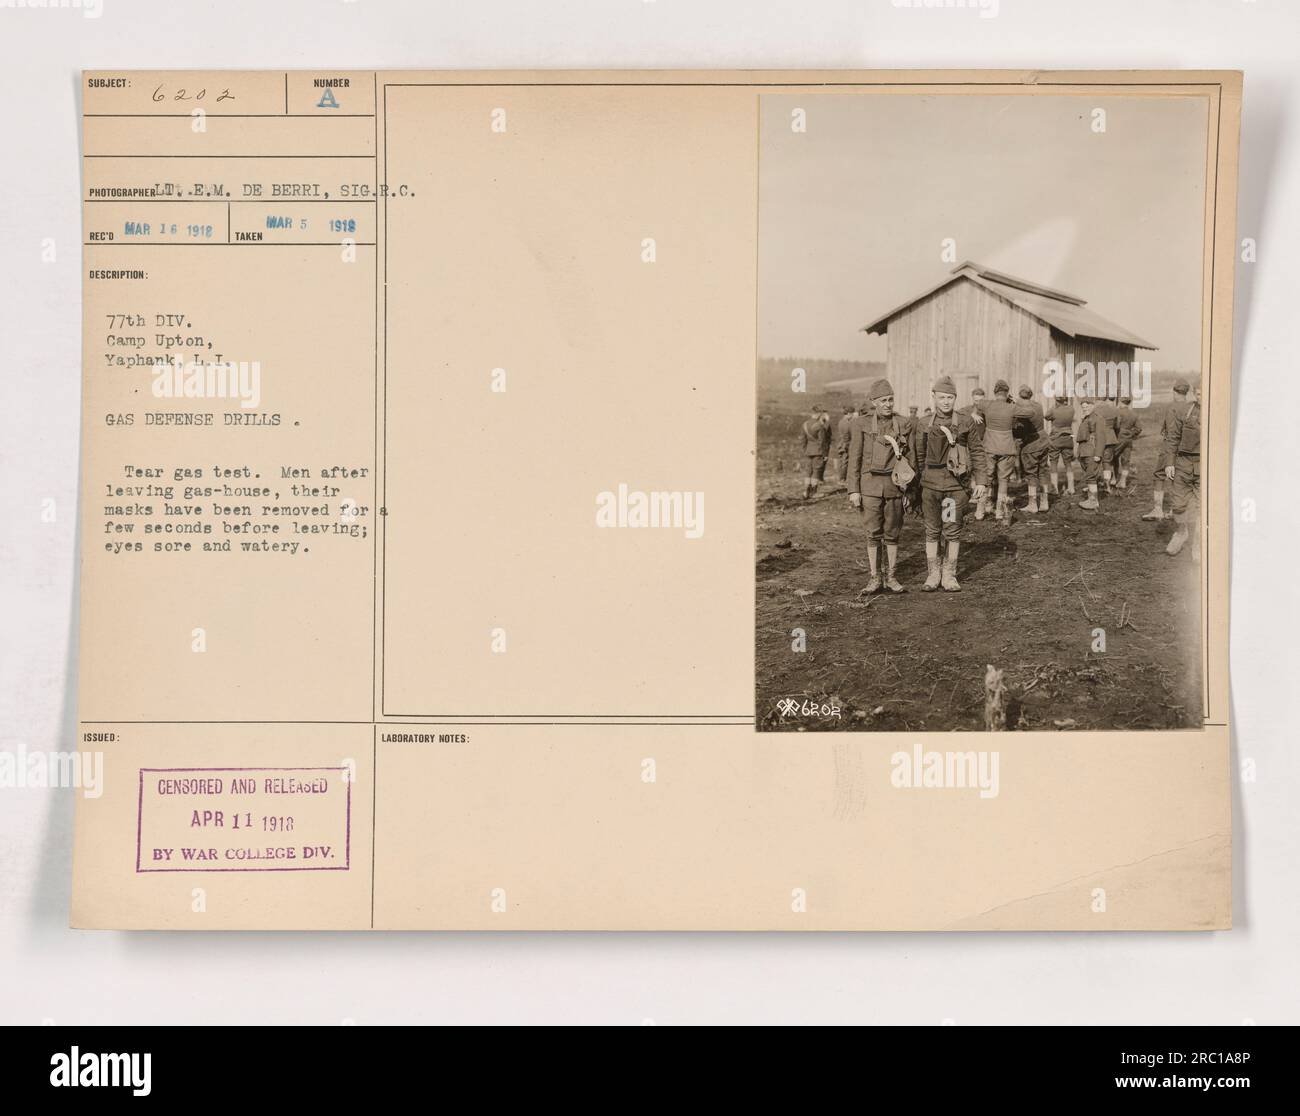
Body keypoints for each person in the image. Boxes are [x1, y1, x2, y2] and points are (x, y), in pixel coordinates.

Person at [915, 375, 988, 591]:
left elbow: (977, 451)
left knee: (952, 530)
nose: (946, 402)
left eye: (950, 397)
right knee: (932, 530)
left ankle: (949, 574)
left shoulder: (965, 422)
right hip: (930, 487)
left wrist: (981, 481)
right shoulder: (923, 423)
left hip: (955, 488)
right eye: (942, 397)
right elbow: (919, 457)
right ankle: (933, 574)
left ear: (955, 398)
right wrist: (919, 485)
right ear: (934, 397)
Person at [846, 378, 910, 593]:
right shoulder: (861, 424)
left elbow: (910, 460)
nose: (888, 404)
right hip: (869, 487)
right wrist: (853, 489)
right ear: (874, 402)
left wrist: (909, 489)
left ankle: (891, 577)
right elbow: (854, 458)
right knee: (873, 533)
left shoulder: (902, 424)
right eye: (883, 400)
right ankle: (874, 578)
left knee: (892, 533)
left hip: (894, 487)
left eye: (891, 400)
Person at [978, 380, 1037, 523]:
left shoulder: (987, 404)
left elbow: (977, 405)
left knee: (987, 478)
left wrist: (975, 414)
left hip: (990, 446)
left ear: (995, 392)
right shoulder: (1012, 407)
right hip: (1006, 447)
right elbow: (1031, 412)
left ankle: (980, 510)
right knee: (1003, 480)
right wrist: (1014, 402)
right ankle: (999, 511)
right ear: (1007, 393)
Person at [1141, 378, 1191, 521]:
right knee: (1180, 477)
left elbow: (1169, 432)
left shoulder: (1172, 407)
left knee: (1159, 474)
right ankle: (1176, 510)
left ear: (1174, 391)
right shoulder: (1190, 407)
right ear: (1186, 392)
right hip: (1186, 448)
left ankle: (1157, 510)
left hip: (1171, 446)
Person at [1164, 383, 1202, 556]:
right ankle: (1181, 532)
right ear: (1194, 394)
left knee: (1204, 505)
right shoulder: (1185, 411)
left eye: (1205, 393)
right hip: (1183, 462)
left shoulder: (1220, 411)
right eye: (1199, 393)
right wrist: (1170, 462)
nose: (1202, 397)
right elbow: (1173, 438)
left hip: (1206, 463)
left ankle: (1199, 542)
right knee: (1178, 503)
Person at [1015, 385, 1052, 513]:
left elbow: (1018, 427)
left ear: (1020, 395)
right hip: (1044, 440)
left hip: (1032, 444)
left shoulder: (1022, 409)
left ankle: (1032, 504)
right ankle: (1044, 502)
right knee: (1043, 471)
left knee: (1031, 474)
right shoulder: (1038, 405)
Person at [1074, 397, 1105, 511]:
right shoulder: (1086, 418)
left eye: (1087, 407)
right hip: (1084, 451)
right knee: (1089, 475)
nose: (1085, 409)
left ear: (1092, 406)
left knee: (1091, 476)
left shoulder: (1098, 418)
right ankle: (1091, 499)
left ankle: (1093, 501)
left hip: (1092, 451)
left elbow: (1101, 438)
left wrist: (1098, 454)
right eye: (1083, 407)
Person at [1045, 394, 1076, 496]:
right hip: (1068, 438)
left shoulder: (1054, 410)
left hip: (1056, 439)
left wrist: (1055, 406)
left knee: (1053, 463)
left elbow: (1046, 416)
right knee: (1068, 464)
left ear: (1057, 401)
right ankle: (1071, 488)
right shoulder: (1071, 409)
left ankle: (1055, 488)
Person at [799, 405, 832, 499]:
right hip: (818, 451)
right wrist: (825, 454)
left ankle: (805, 491)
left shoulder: (805, 424)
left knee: (808, 471)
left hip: (808, 451)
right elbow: (823, 442)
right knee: (816, 471)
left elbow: (803, 440)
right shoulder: (819, 426)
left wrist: (805, 450)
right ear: (818, 414)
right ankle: (813, 492)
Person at [1113, 395, 1142, 490]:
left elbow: (1115, 426)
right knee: (1126, 461)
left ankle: (1114, 479)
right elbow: (1139, 428)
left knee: (1113, 457)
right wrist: (1131, 434)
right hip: (1129, 440)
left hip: (1118, 438)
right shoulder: (1134, 414)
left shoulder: (1117, 412)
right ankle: (1123, 481)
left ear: (1121, 402)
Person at [832, 402, 858, 486]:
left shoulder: (842, 421)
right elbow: (848, 437)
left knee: (843, 462)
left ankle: (842, 478)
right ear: (849, 413)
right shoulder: (848, 423)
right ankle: (842, 479)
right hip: (846, 445)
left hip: (842, 444)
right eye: (852, 414)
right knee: (845, 462)